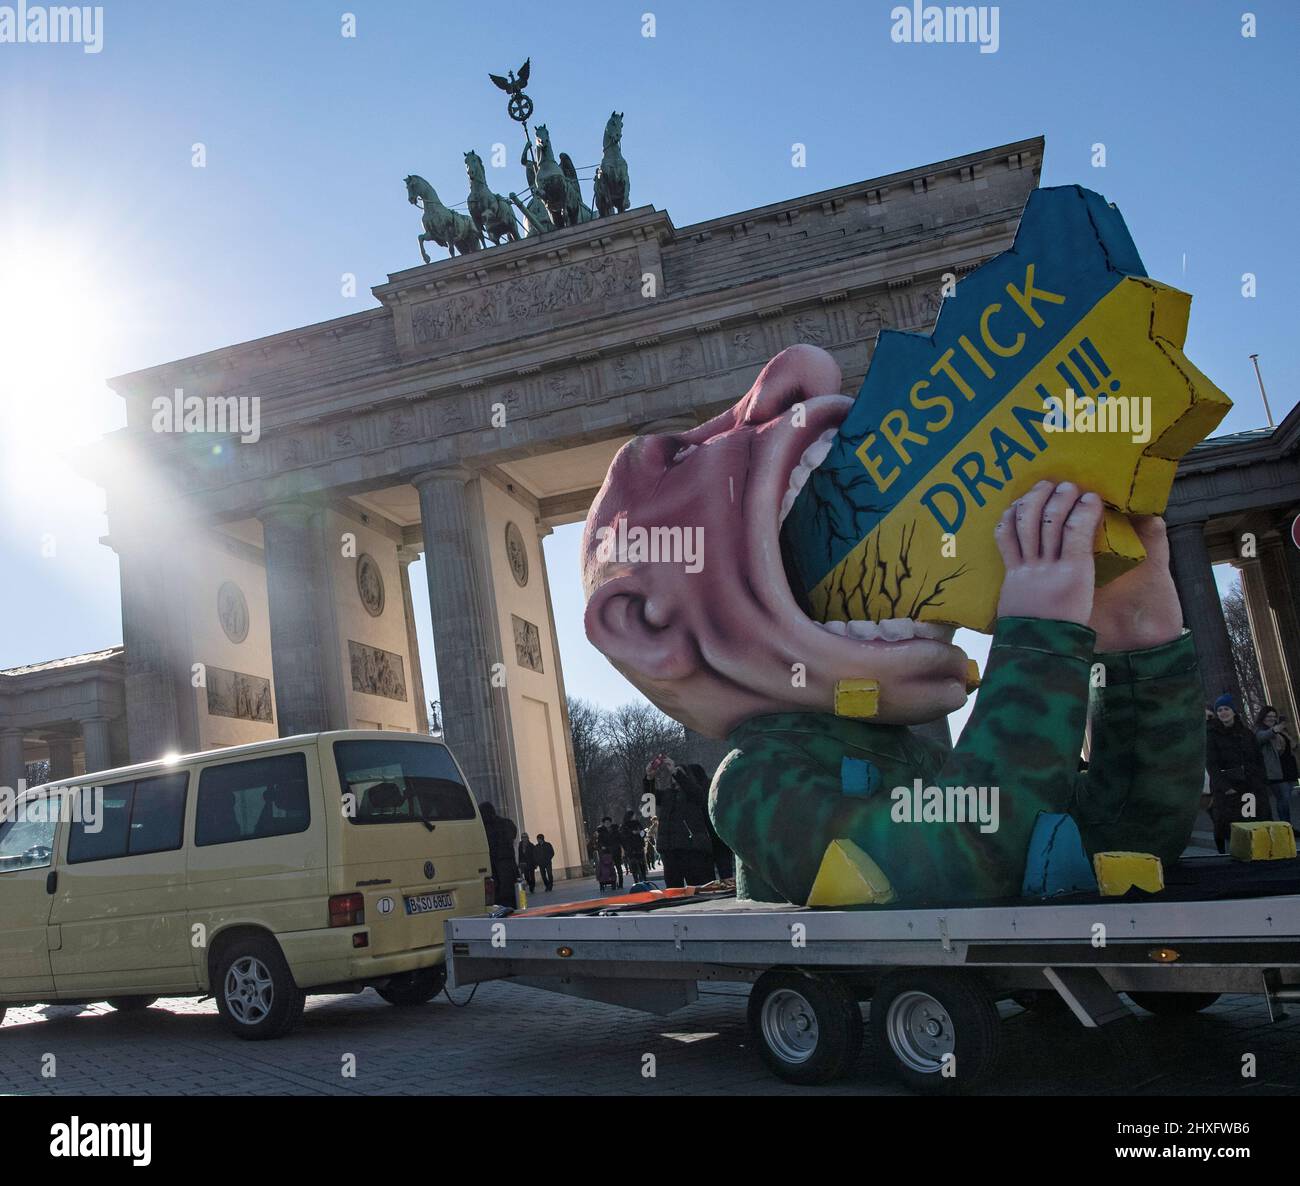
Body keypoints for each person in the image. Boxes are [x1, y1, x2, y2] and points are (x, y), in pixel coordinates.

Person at [1206, 694, 1269, 853]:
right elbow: (1211, 765)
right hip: (1227, 790)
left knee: (1252, 822)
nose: (1223, 713)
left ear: (1233, 711)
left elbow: (1257, 758)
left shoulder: (1247, 734)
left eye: (1226, 709)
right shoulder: (1211, 735)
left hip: (1249, 788)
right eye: (1219, 710)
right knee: (1226, 825)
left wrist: (1260, 781)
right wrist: (1226, 787)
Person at [647, 756, 715, 888]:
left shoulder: (694, 793)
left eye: (679, 774)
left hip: (690, 848)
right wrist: (649, 778)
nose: (674, 777)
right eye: (673, 774)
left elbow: (694, 792)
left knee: (696, 887)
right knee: (673, 889)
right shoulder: (668, 794)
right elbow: (648, 800)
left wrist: (675, 772)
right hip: (669, 849)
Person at [1256, 706, 1296, 824]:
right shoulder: (1260, 730)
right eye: (1269, 716)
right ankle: (1285, 825)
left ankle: (1288, 825)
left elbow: (1292, 744)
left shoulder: (1280, 731)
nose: (1272, 719)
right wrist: (1274, 730)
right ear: (1263, 717)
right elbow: (1261, 737)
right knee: (1283, 799)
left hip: (1287, 769)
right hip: (1275, 771)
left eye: (1274, 716)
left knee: (1286, 799)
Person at [479, 801, 520, 907]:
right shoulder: (507, 823)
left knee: (500, 903)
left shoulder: (485, 828)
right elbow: (513, 834)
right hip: (510, 869)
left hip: (496, 870)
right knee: (513, 902)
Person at [620, 810, 647, 882]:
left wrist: (640, 832)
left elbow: (643, 833)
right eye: (633, 815)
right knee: (633, 864)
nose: (635, 817)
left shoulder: (637, 823)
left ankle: (644, 878)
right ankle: (636, 879)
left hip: (639, 846)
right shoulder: (624, 826)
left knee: (642, 863)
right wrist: (631, 833)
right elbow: (623, 837)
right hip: (630, 848)